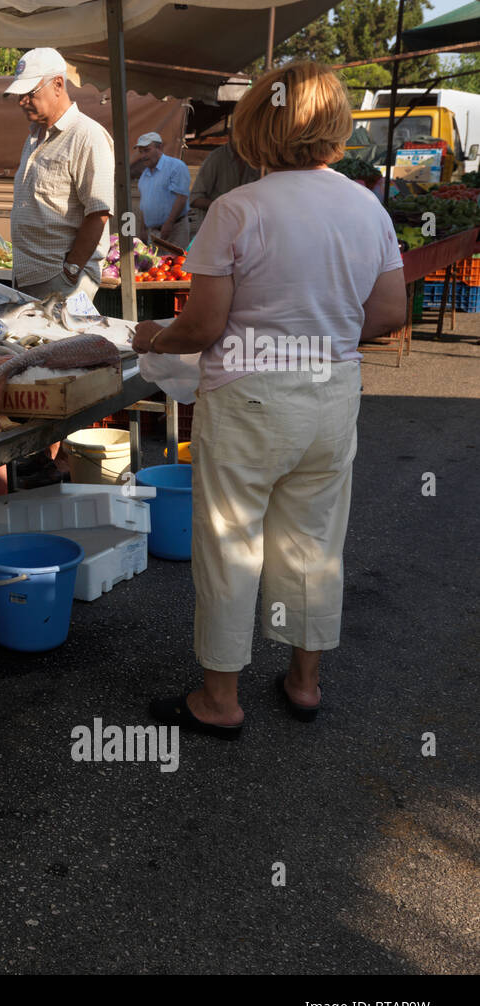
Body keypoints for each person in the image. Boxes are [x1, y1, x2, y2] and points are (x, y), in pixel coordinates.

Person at [130, 60, 405, 737]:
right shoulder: (366, 207)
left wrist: (154, 337)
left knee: (230, 543)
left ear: (255, 128)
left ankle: (220, 699)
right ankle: (303, 682)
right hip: (332, 393)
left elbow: (204, 325)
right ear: (335, 128)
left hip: (250, 396)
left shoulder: (237, 209)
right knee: (312, 540)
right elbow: (392, 309)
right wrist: (331, 330)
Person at [5, 47, 114, 302]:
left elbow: (99, 212)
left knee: (59, 342)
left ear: (57, 84)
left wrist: (72, 269)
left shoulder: (86, 135)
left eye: (30, 93)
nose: (22, 101)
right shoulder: (34, 136)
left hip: (61, 279)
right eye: (19, 94)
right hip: (31, 275)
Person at [188, 137, 260, 237]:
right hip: (212, 227)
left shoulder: (255, 161)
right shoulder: (217, 157)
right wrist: (223, 207)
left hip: (242, 228)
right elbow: (194, 199)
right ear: (232, 135)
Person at [134, 131, 191, 248]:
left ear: (159, 148)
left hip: (175, 230)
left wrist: (169, 223)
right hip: (154, 233)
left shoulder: (176, 166)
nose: (143, 156)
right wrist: (143, 229)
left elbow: (181, 197)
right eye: (141, 152)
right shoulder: (145, 175)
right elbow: (145, 204)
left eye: (147, 150)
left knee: (175, 264)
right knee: (155, 264)